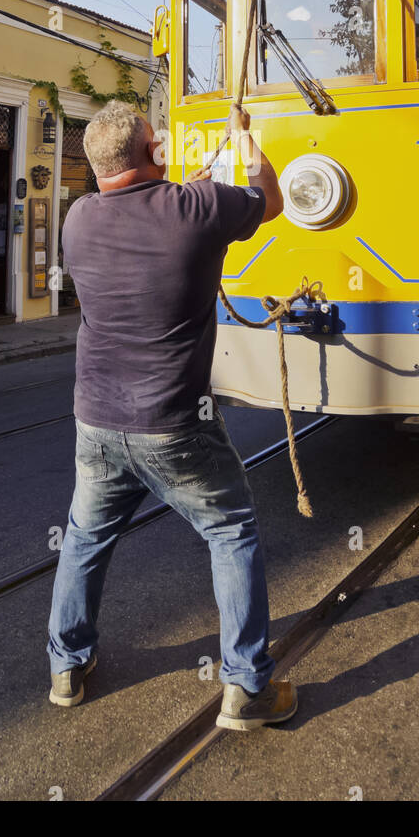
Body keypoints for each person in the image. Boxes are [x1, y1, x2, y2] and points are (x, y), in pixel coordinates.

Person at [46, 99, 297, 731]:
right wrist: (243, 142)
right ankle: (246, 687)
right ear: (147, 153)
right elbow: (270, 198)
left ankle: (67, 667)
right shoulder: (196, 207)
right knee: (231, 530)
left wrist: (188, 178)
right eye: (158, 143)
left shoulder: (76, 220)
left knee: (84, 536)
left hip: (96, 420)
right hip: (174, 422)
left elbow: (155, 209)